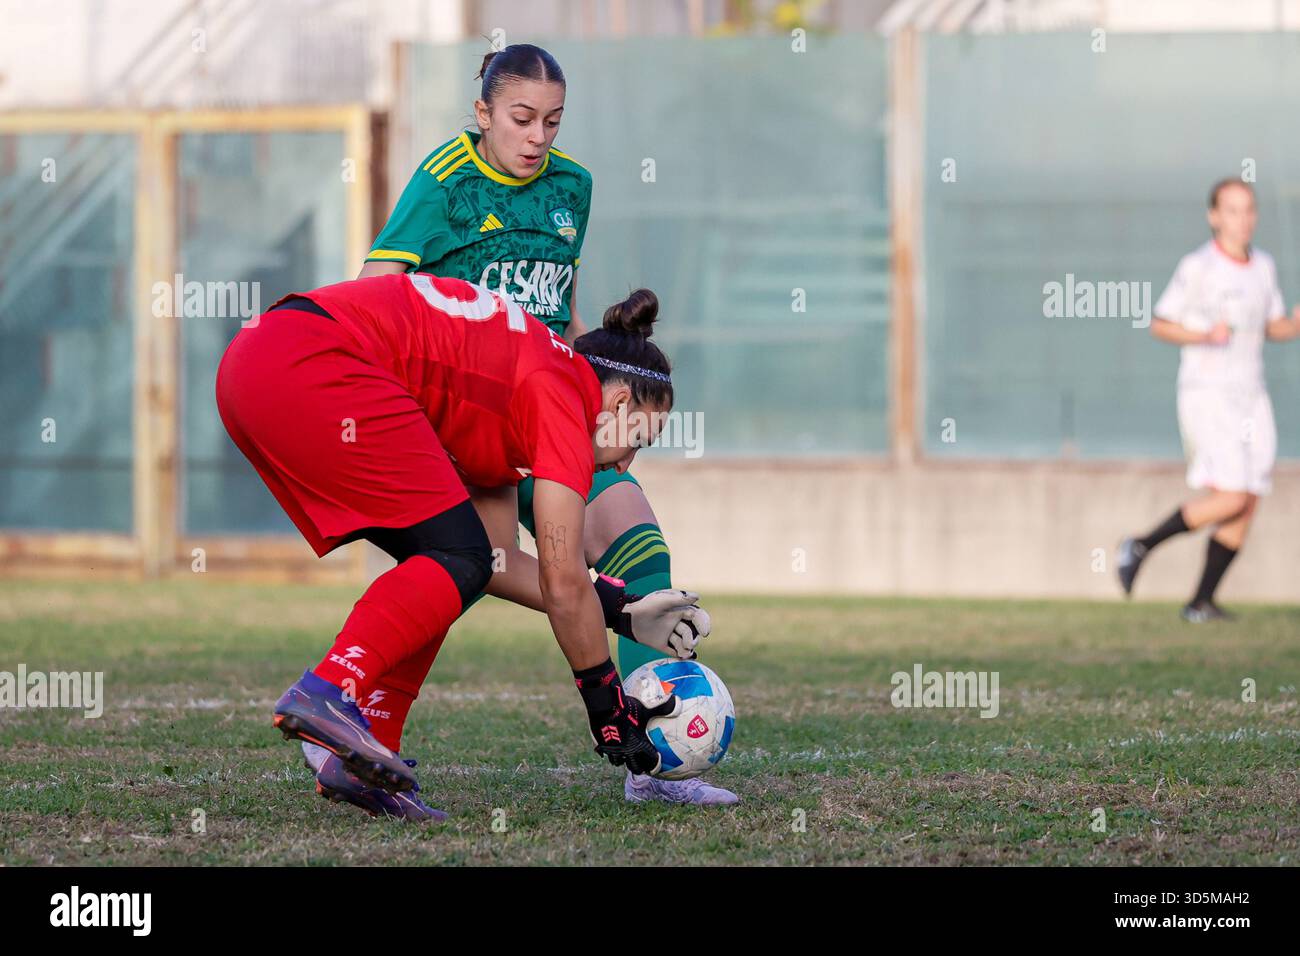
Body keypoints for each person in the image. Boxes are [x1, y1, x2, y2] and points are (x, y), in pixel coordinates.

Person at [359, 42, 735, 804]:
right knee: (457, 574)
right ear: (484, 114)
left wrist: (583, 395)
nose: (537, 137)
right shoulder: (444, 182)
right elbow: (374, 291)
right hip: (461, 420)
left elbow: (556, 306)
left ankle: (653, 761)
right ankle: (364, 741)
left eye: (552, 123)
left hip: (550, 410)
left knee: (639, 543)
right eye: (521, 119)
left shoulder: (574, 188)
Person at [216, 273, 710, 818]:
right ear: (615, 402)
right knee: (455, 558)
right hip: (312, 360)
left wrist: (620, 610)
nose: (624, 464)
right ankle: (329, 688)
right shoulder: (567, 396)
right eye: (638, 438)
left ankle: (362, 756)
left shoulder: (520, 393)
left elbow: (496, 562)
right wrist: (606, 704)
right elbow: (562, 577)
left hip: (261, 364)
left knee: (452, 562)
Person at [1117, 179, 1300, 620]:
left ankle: (1200, 602)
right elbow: (1160, 323)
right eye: (1233, 210)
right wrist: (1203, 334)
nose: (1243, 219)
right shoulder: (1198, 267)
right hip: (1208, 393)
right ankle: (1140, 545)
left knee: (1250, 495)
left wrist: (1293, 325)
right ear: (1214, 216)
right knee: (1232, 494)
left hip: (1251, 394)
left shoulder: (1264, 267)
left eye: (1249, 209)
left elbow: (1271, 326)